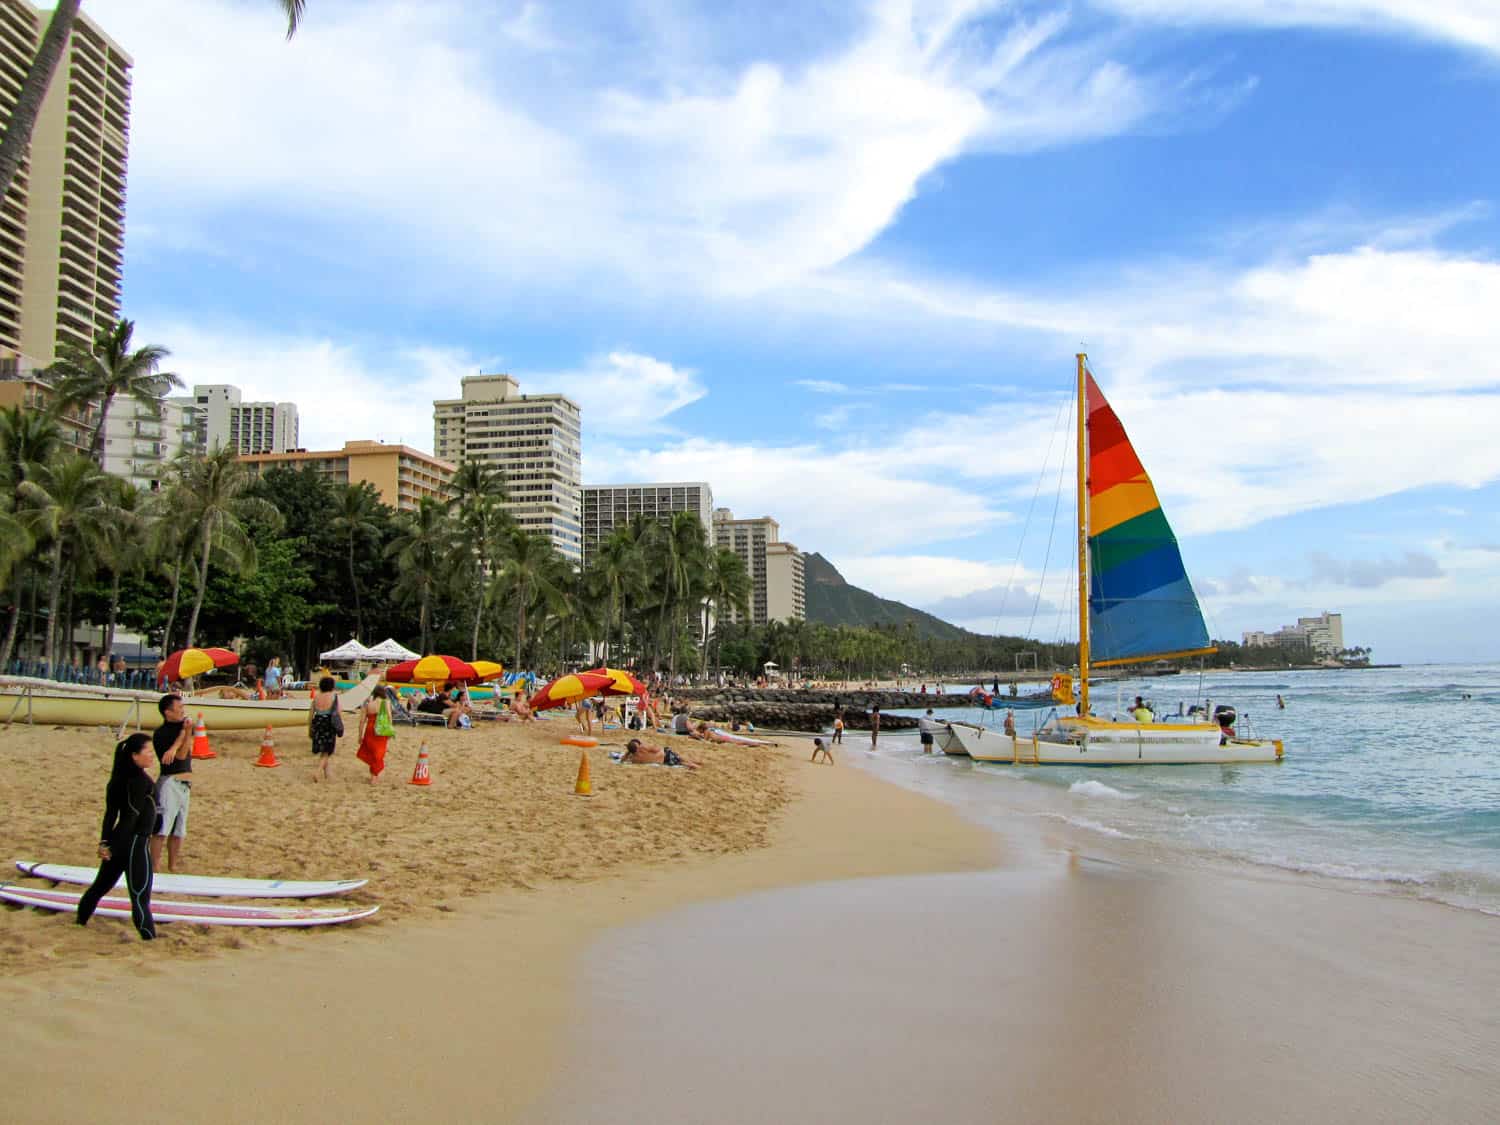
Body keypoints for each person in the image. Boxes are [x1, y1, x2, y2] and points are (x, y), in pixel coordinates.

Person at [76, 733, 157, 940]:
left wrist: (105, 842)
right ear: (134, 756)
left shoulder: (116, 780)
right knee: (140, 897)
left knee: (99, 887)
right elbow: (131, 816)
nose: (152, 756)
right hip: (135, 843)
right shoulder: (139, 781)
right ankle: (149, 939)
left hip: (117, 840)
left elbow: (110, 815)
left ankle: (79, 923)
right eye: (148, 751)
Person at [150, 693, 193, 873]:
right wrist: (186, 734)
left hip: (185, 784)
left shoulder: (181, 727)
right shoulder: (162, 733)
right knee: (162, 828)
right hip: (170, 782)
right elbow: (181, 756)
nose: (182, 711)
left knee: (179, 829)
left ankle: (173, 865)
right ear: (168, 712)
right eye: (179, 709)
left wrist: (185, 732)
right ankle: (155, 866)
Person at [355, 686, 395, 783]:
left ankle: (373, 776)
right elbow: (389, 717)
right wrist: (390, 731)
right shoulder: (386, 703)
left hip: (370, 729)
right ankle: (374, 776)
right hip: (381, 729)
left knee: (372, 753)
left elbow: (361, 722)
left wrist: (360, 736)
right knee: (379, 753)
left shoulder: (368, 705)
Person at [309, 675, 342, 780]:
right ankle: (318, 772)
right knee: (327, 750)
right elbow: (338, 713)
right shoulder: (334, 697)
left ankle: (327, 774)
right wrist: (339, 726)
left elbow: (310, 715)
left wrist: (310, 729)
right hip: (329, 723)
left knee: (324, 749)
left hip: (318, 723)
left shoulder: (316, 697)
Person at [622, 738, 698, 769]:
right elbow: (657, 749)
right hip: (665, 755)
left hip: (665, 762)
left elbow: (622, 760)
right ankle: (696, 765)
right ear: (637, 746)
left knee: (681, 763)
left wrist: (628, 752)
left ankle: (694, 765)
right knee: (682, 759)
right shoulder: (643, 748)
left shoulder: (634, 760)